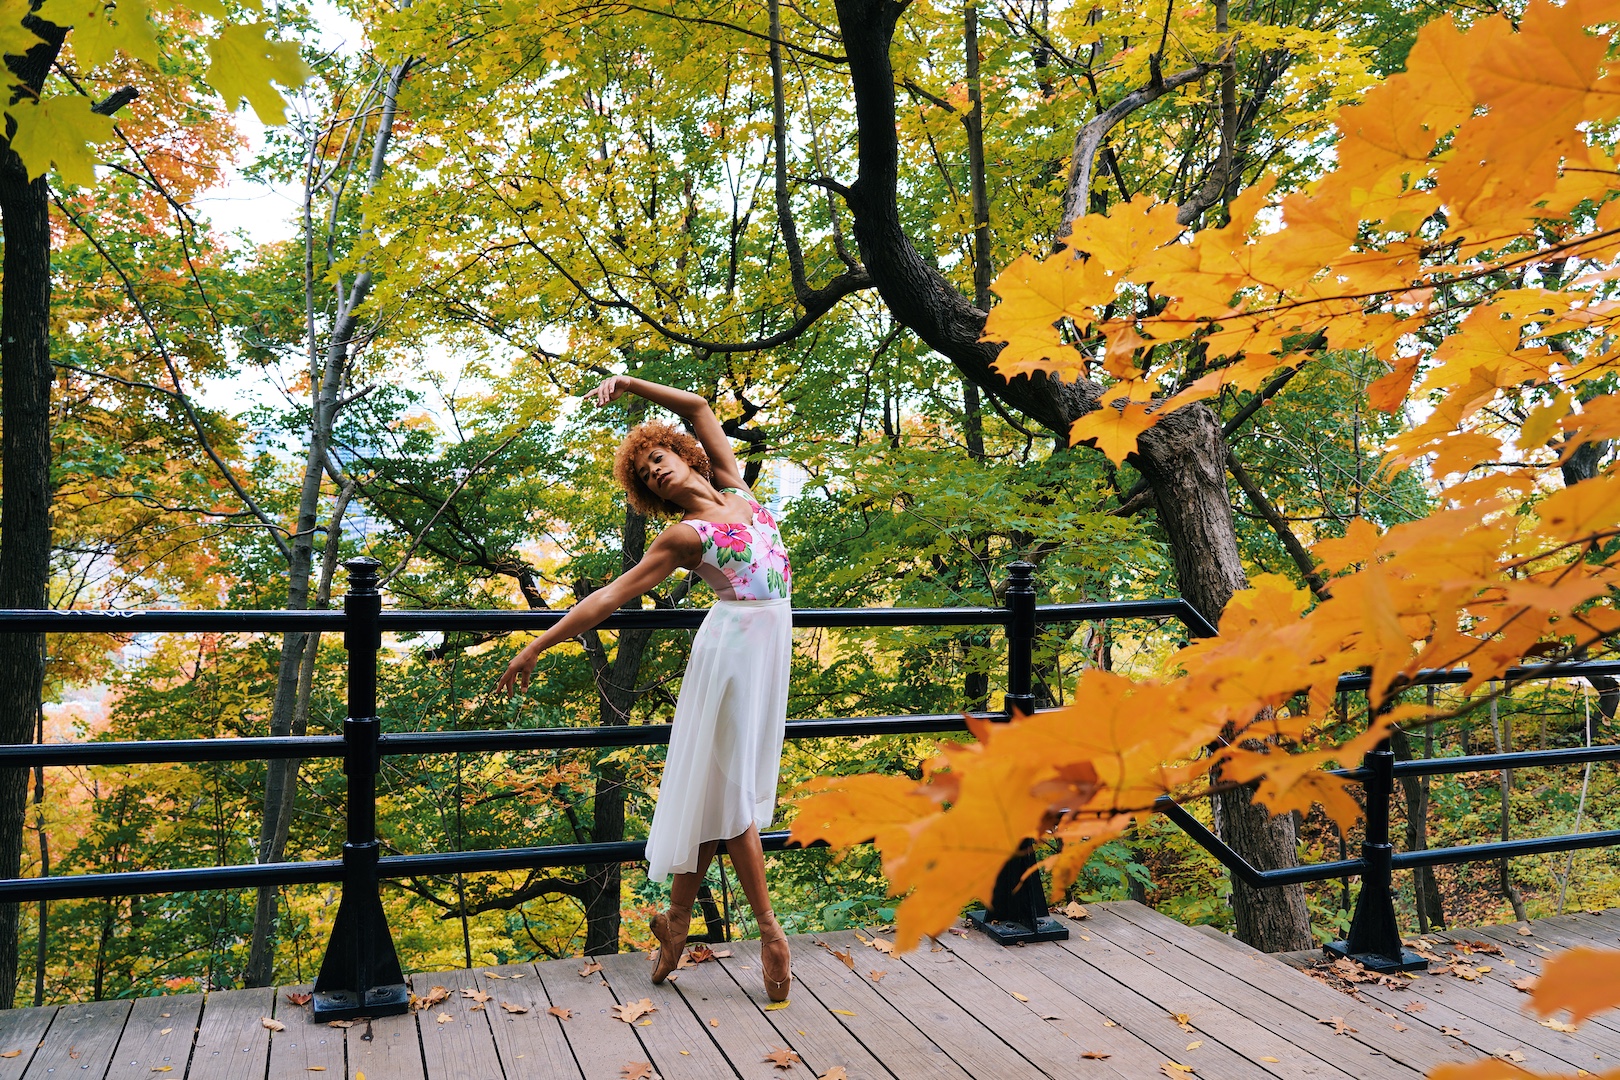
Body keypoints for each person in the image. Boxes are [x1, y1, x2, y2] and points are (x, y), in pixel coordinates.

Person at [496, 375, 794, 1001]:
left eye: (658, 459)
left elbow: (698, 404)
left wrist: (627, 384)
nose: (656, 472)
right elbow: (609, 596)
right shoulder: (683, 537)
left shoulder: (739, 487)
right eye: (647, 475)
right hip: (734, 653)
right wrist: (536, 644)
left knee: (718, 788)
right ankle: (770, 931)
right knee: (733, 790)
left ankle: (677, 923)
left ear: (687, 455)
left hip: (769, 652)